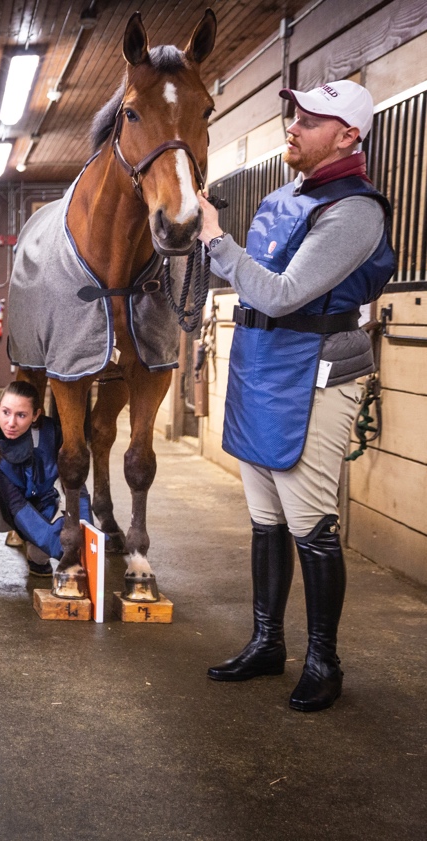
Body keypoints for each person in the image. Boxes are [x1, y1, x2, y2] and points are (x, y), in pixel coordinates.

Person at [198, 79, 395, 712]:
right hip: (261, 365)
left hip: (313, 370)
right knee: (264, 516)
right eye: (294, 114)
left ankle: (323, 660)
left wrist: (216, 241)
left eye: (310, 120)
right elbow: (256, 286)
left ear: (347, 135)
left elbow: (283, 294)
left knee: (310, 520)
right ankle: (266, 643)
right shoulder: (286, 197)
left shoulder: (354, 211)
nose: (293, 125)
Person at [0, 381, 85, 592]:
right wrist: (48, 539)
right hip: (4, 511)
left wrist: (83, 537)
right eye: (6, 412)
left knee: (41, 557)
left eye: (21, 415)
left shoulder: (54, 433)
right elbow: (13, 500)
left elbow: (75, 484)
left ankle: (36, 558)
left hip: (41, 507)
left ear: (36, 415)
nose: (11, 422)